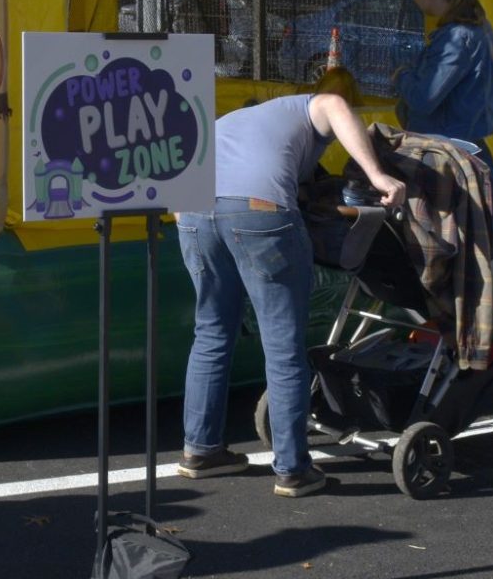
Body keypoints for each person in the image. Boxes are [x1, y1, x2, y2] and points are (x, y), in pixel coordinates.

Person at [173, 93, 404, 498]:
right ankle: (293, 469)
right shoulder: (303, 107)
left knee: (211, 332)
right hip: (259, 210)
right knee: (282, 346)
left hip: (191, 212)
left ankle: (202, 451)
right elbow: (334, 103)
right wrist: (378, 175)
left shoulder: (232, 123)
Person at [395, 0, 493, 234]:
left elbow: (423, 99)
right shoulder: (480, 28)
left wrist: (403, 76)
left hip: (448, 156)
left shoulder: (456, 37)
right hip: (468, 151)